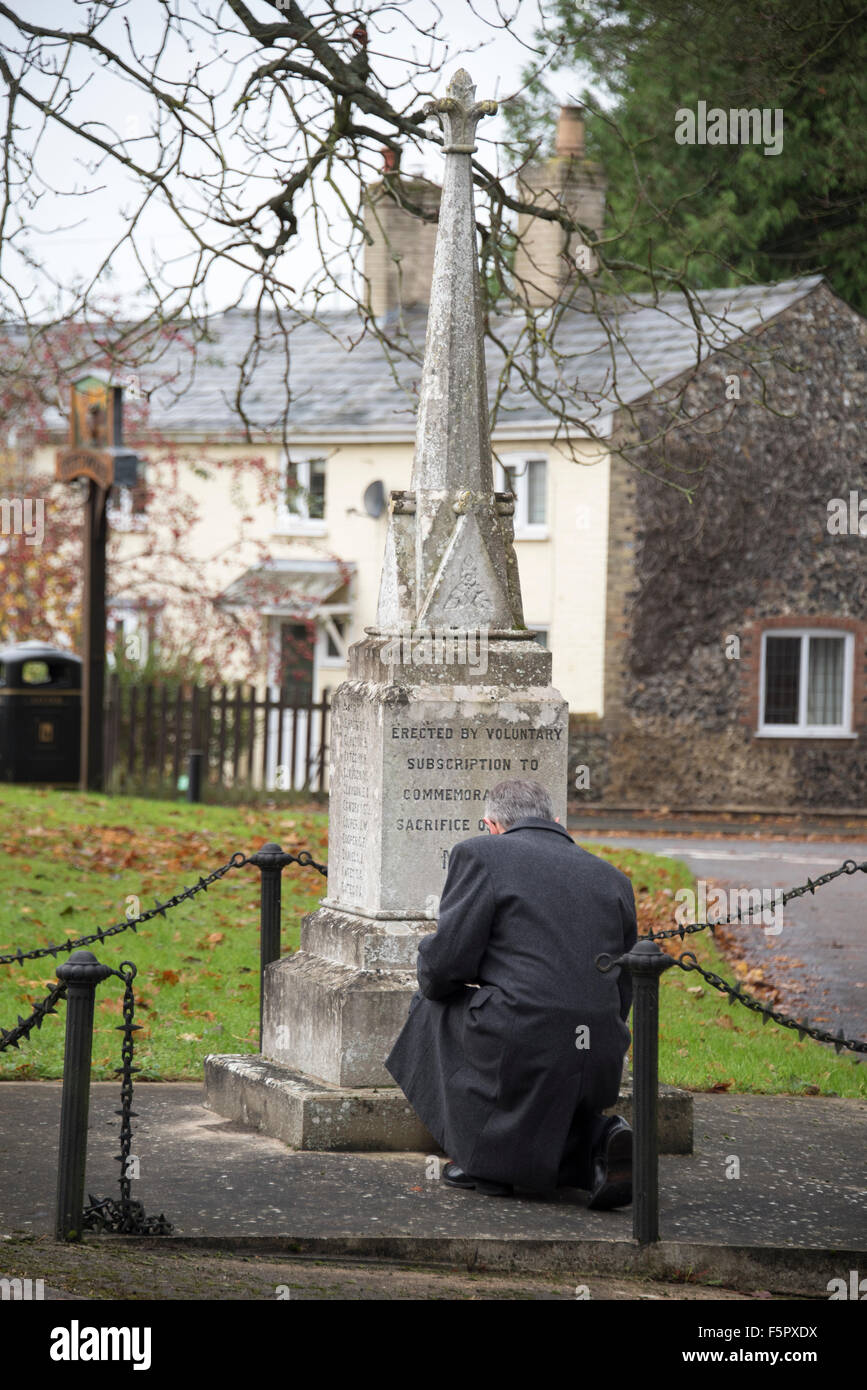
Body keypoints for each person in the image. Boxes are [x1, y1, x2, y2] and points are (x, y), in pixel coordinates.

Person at [384, 777, 637, 1204]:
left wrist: (433, 979)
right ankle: (596, 1144)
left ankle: (482, 1160)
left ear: (492, 825)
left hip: (523, 1041)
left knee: (431, 1005)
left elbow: (446, 965)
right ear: (554, 821)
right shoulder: (612, 877)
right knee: (547, 1054)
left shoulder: (480, 854)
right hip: (602, 1050)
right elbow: (626, 984)